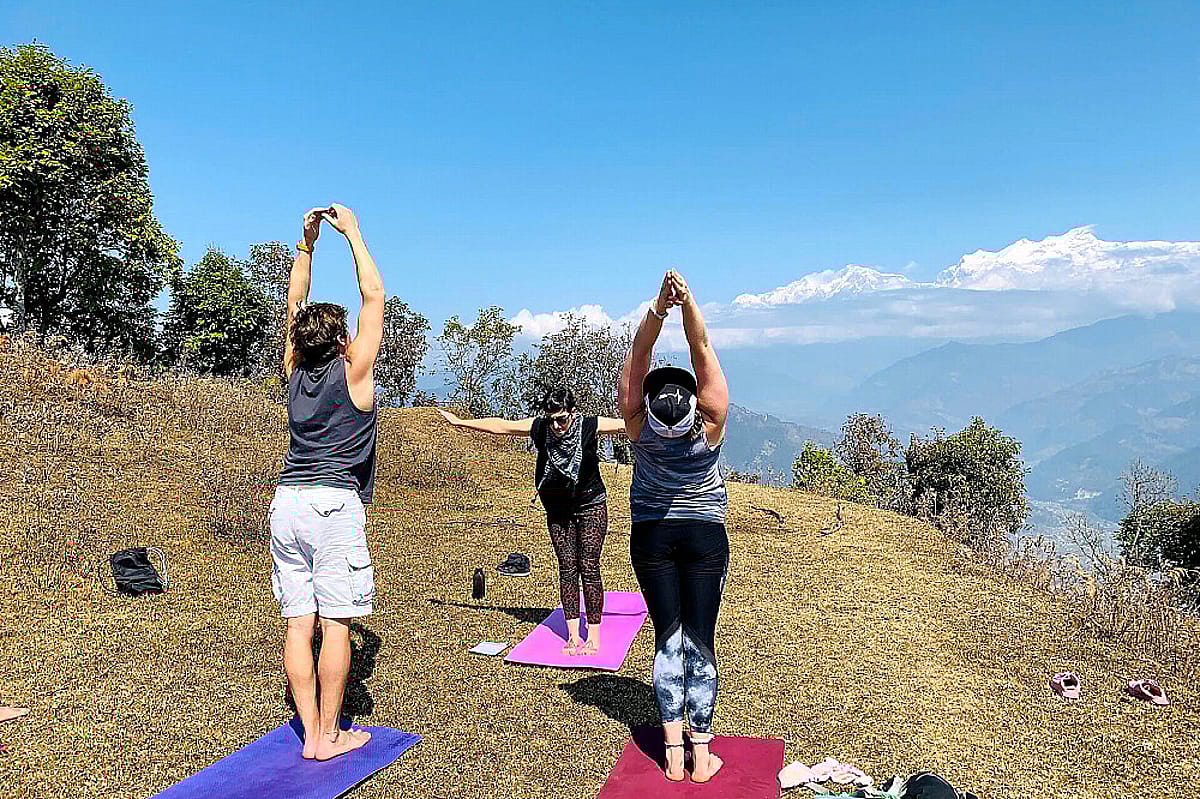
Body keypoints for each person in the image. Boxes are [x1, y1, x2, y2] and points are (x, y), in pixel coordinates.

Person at [268, 204, 384, 760]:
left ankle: (309, 728)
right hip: (334, 505)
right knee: (335, 623)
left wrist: (307, 245)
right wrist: (353, 233)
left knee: (298, 622)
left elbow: (294, 307)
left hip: (286, 503)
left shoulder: (292, 371)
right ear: (342, 342)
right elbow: (374, 298)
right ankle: (328, 736)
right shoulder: (354, 371)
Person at [618, 270, 730, 783]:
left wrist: (657, 309)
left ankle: (671, 752)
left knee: (668, 636)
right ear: (690, 400)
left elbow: (638, 357)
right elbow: (701, 344)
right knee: (700, 639)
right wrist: (686, 306)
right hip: (704, 534)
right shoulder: (711, 420)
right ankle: (701, 755)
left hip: (652, 535)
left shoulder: (637, 424)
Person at [438, 389, 625, 655]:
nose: (557, 426)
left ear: (573, 413)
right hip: (557, 508)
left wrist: (678, 420)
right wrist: (460, 422)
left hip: (590, 504)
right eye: (552, 420)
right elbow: (501, 426)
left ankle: (593, 635)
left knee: (589, 565)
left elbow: (627, 424)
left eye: (562, 419)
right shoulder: (541, 428)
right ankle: (573, 635)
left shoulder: (589, 425)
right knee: (568, 567)